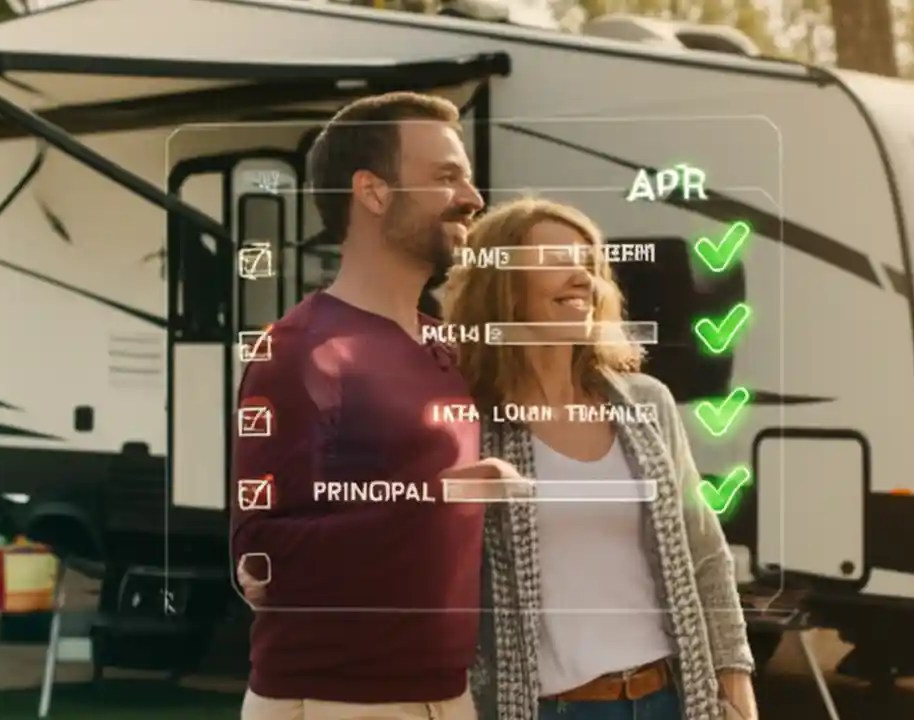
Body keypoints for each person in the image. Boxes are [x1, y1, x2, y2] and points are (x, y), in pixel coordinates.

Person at [230, 92, 526, 720]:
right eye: (446, 177)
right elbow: (259, 557)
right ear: (372, 192)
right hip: (335, 700)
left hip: (448, 695)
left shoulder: (444, 347)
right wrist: (441, 498)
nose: (472, 198)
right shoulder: (301, 351)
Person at [442, 198, 760, 720]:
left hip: (670, 699)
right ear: (501, 288)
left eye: (588, 265)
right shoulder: (468, 420)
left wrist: (736, 683)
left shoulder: (646, 403)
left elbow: (705, 551)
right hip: (551, 708)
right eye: (554, 263)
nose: (581, 280)